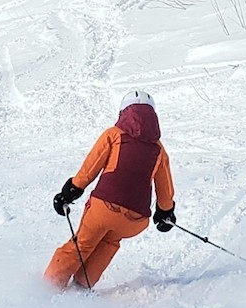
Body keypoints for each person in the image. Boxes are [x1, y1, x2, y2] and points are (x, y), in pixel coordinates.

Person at [44, 90, 175, 290]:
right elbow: (165, 188)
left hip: (105, 207)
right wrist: (166, 212)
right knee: (109, 242)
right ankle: (81, 287)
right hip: (136, 219)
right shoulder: (159, 149)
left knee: (82, 244)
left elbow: (92, 166)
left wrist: (72, 190)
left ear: (123, 112)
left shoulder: (114, 135)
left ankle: (49, 287)